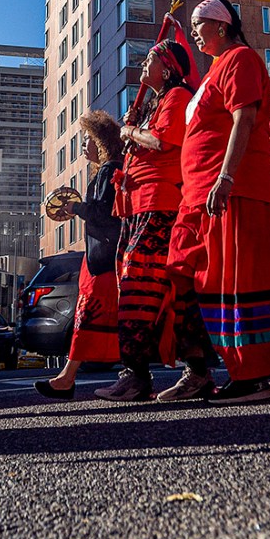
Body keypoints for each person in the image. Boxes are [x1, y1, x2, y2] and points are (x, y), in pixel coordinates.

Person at [157, 0, 270, 404]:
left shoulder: (241, 58)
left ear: (220, 26)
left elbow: (246, 118)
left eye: (197, 25)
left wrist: (226, 175)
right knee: (182, 274)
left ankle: (252, 375)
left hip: (233, 189)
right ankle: (199, 370)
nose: (195, 33)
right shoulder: (215, 70)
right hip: (197, 194)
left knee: (235, 282)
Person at [100, 37, 202, 402]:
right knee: (152, 288)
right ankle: (185, 370)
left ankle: (138, 374)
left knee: (140, 287)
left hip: (159, 204)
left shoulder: (178, 98)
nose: (143, 67)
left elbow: (162, 143)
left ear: (169, 68)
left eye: (150, 61)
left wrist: (128, 132)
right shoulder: (152, 104)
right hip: (135, 206)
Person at [35, 112, 123, 400]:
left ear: (100, 141)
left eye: (87, 140)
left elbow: (106, 214)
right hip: (102, 260)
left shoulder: (110, 171)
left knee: (91, 321)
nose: (84, 147)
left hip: (107, 261)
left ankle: (67, 378)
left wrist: (76, 209)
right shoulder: (106, 171)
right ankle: (66, 378)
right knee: (95, 323)